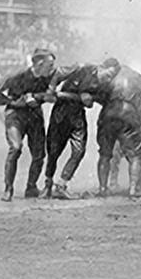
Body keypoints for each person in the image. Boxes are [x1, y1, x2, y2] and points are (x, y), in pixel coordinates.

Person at [0, 48, 56, 202]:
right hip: (15, 115)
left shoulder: (49, 77)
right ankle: (8, 189)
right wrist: (12, 102)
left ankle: (31, 187)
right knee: (16, 148)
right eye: (49, 65)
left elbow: (51, 96)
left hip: (35, 115)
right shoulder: (18, 75)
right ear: (39, 64)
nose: (52, 68)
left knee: (39, 154)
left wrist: (38, 97)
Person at [41, 61, 104, 200]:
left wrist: (87, 99)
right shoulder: (81, 67)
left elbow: (91, 101)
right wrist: (51, 90)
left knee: (79, 151)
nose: (107, 76)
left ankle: (61, 185)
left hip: (77, 115)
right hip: (61, 113)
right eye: (107, 72)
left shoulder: (101, 83)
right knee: (53, 151)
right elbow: (58, 74)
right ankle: (48, 184)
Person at [94, 59, 141, 198]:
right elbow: (139, 99)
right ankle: (133, 190)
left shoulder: (109, 75)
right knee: (135, 155)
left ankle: (103, 189)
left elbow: (99, 95)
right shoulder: (136, 76)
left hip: (108, 113)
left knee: (104, 154)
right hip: (129, 113)